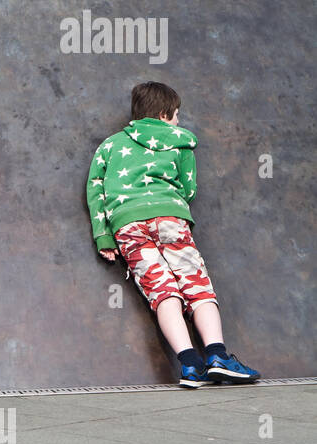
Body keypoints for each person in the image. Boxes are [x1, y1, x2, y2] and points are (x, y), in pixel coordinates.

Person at [86, 82, 261, 387]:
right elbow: (189, 188)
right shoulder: (181, 142)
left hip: (127, 225)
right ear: (165, 113)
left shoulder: (110, 145)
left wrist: (103, 236)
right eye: (177, 114)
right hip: (170, 217)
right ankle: (217, 356)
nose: (179, 121)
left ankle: (190, 365)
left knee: (162, 291)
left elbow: (95, 190)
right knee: (196, 284)